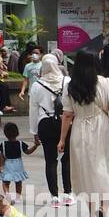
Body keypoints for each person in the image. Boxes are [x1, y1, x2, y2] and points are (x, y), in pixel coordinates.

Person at [58, 49, 109, 217]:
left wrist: (62, 140)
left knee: (87, 172)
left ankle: (92, 216)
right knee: (105, 169)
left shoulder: (71, 86)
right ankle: (103, 211)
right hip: (103, 129)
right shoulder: (107, 83)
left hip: (80, 130)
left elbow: (67, 115)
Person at [28, 53, 74, 206]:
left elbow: (33, 110)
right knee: (67, 158)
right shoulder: (67, 81)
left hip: (45, 123)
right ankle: (68, 193)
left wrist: (34, 132)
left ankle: (54, 196)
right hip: (65, 122)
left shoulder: (36, 85)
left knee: (50, 160)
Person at [0, 121, 35, 199]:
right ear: (17, 132)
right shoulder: (20, 143)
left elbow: (2, 156)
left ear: (5, 134)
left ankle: (7, 195)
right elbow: (28, 152)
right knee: (18, 182)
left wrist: (1, 165)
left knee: (5, 182)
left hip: (8, 164)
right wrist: (35, 146)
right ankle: (18, 197)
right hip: (18, 165)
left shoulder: (3, 144)